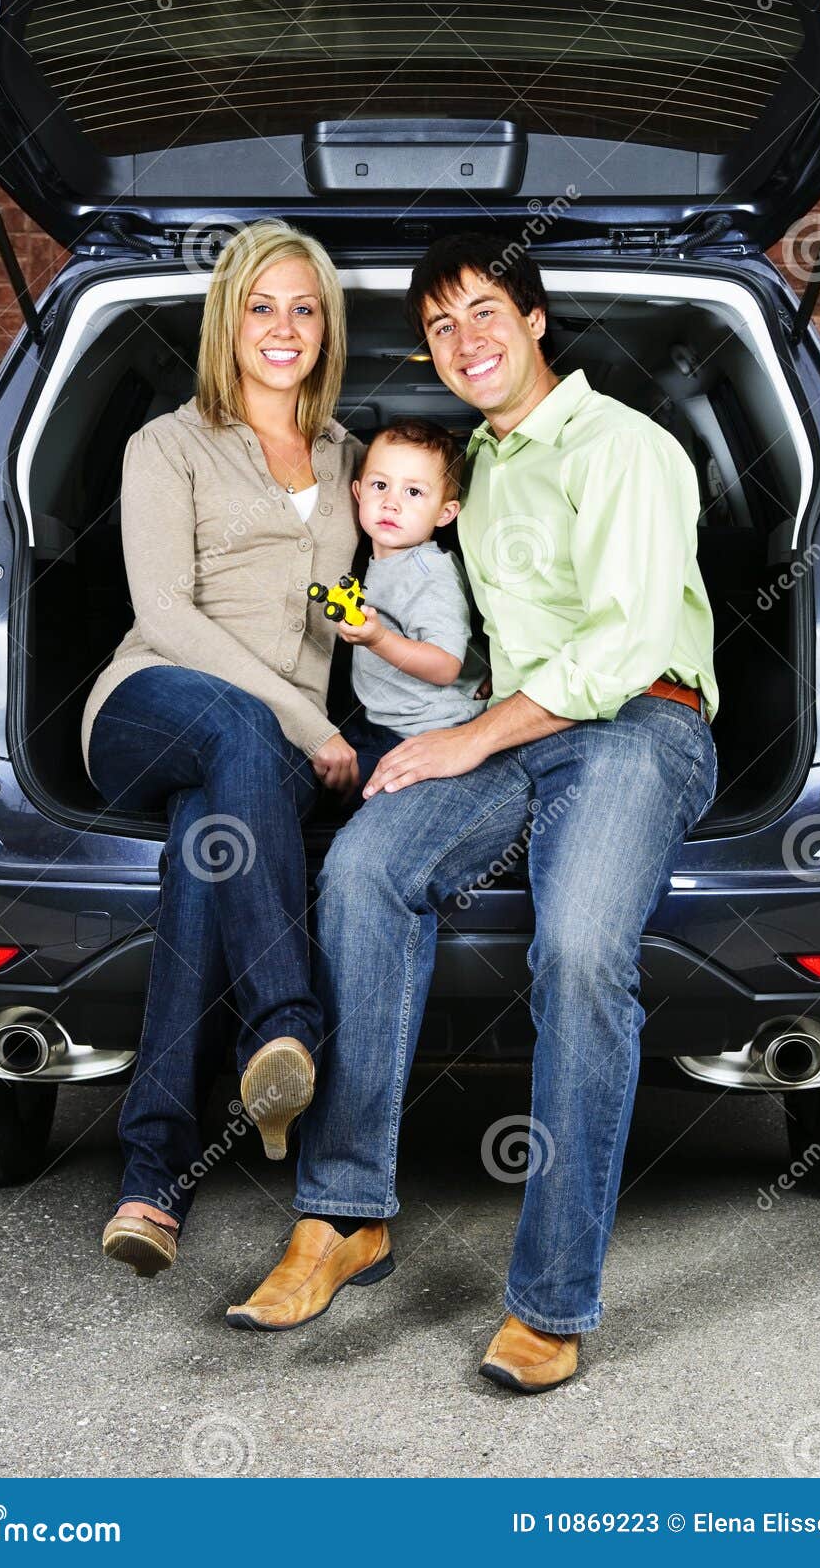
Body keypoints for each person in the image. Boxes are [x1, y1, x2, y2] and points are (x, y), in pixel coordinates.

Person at [227, 233, 720, 1396]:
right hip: (509, 728)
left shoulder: (625, 448)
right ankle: (345, 1212)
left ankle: (551, 1301)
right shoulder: (478, 469)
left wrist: (462, 736)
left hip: (639, 723)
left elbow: (623, 644)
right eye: (441, 326)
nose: (466, 341)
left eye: (487, 311)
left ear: (537, 319)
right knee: (359, 871)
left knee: (583, 947)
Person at [83, 218, 365, 1279]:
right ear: (228, 320)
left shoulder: (347, 454)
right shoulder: (167, 444)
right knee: (236, 732)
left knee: (208, 838)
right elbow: (165, 611)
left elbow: (344, 605)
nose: (283, 326)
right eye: (261, 305)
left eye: (303, 307)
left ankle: (152, 1180)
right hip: (150, 703)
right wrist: (307, 721)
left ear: (325, 326)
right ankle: (281, 1023)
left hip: (270, 746)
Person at [335, 417, 488, 787]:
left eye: (414, 493)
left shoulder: (429, 574)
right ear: (358, 492)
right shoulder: (380, 558)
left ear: (445, 513)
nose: (391, 503)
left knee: (351, 789)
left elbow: (446, 666)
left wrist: (377, 639)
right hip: (383, 718)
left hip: (429, 731)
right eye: (380, 485)